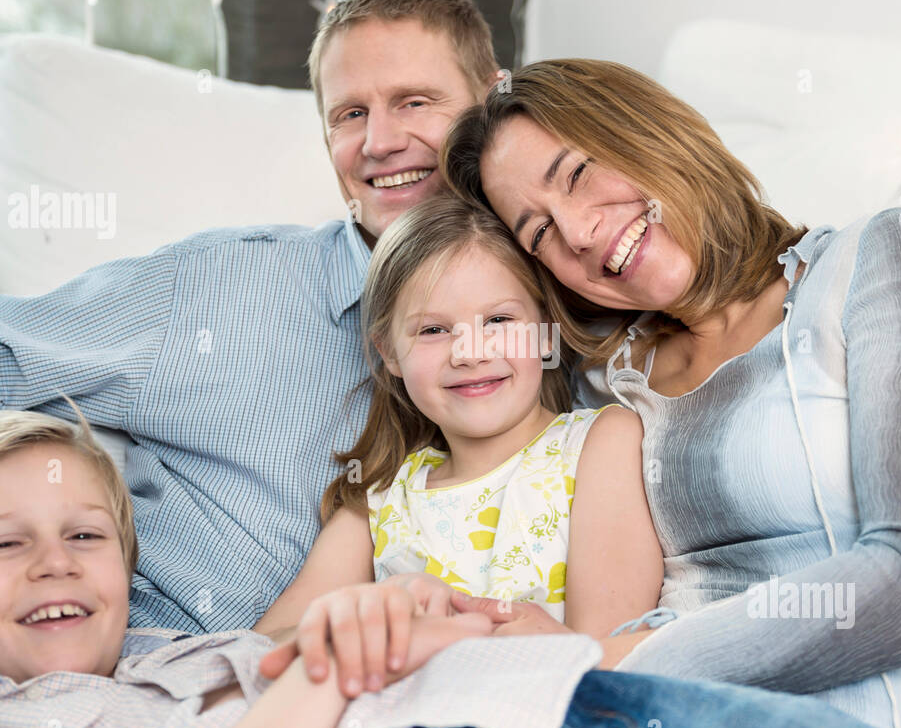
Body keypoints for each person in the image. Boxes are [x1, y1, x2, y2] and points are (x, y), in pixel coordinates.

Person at [0, 0, 503, 728]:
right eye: (350, 114)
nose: (379, 141)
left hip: (367, 710)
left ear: (491, 98)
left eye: (415, 102)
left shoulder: (568, 303)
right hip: (114, 683)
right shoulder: (216, 288)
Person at [0, 408, 901, 728]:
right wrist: (335, 658)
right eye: (7, 545)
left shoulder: (174, 649)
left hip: (520, 700)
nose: (55, 562)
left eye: (86, 534)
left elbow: (330, 639)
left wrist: (427, 614)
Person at [438, 58, 901, 728]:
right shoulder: (608, 386)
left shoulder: (884, 257)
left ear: (650, 129)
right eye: (540, 233)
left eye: (577, 175)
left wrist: (602, 662)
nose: (578, 232)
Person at [253, 195, 663, 696]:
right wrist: (371, 617)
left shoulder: (600, 441)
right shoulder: (382, 500)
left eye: (498, 321)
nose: (470, 353)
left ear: (546, 335)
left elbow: (611, 648)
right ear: (390, 355)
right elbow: (262, 648)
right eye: (433, 329)